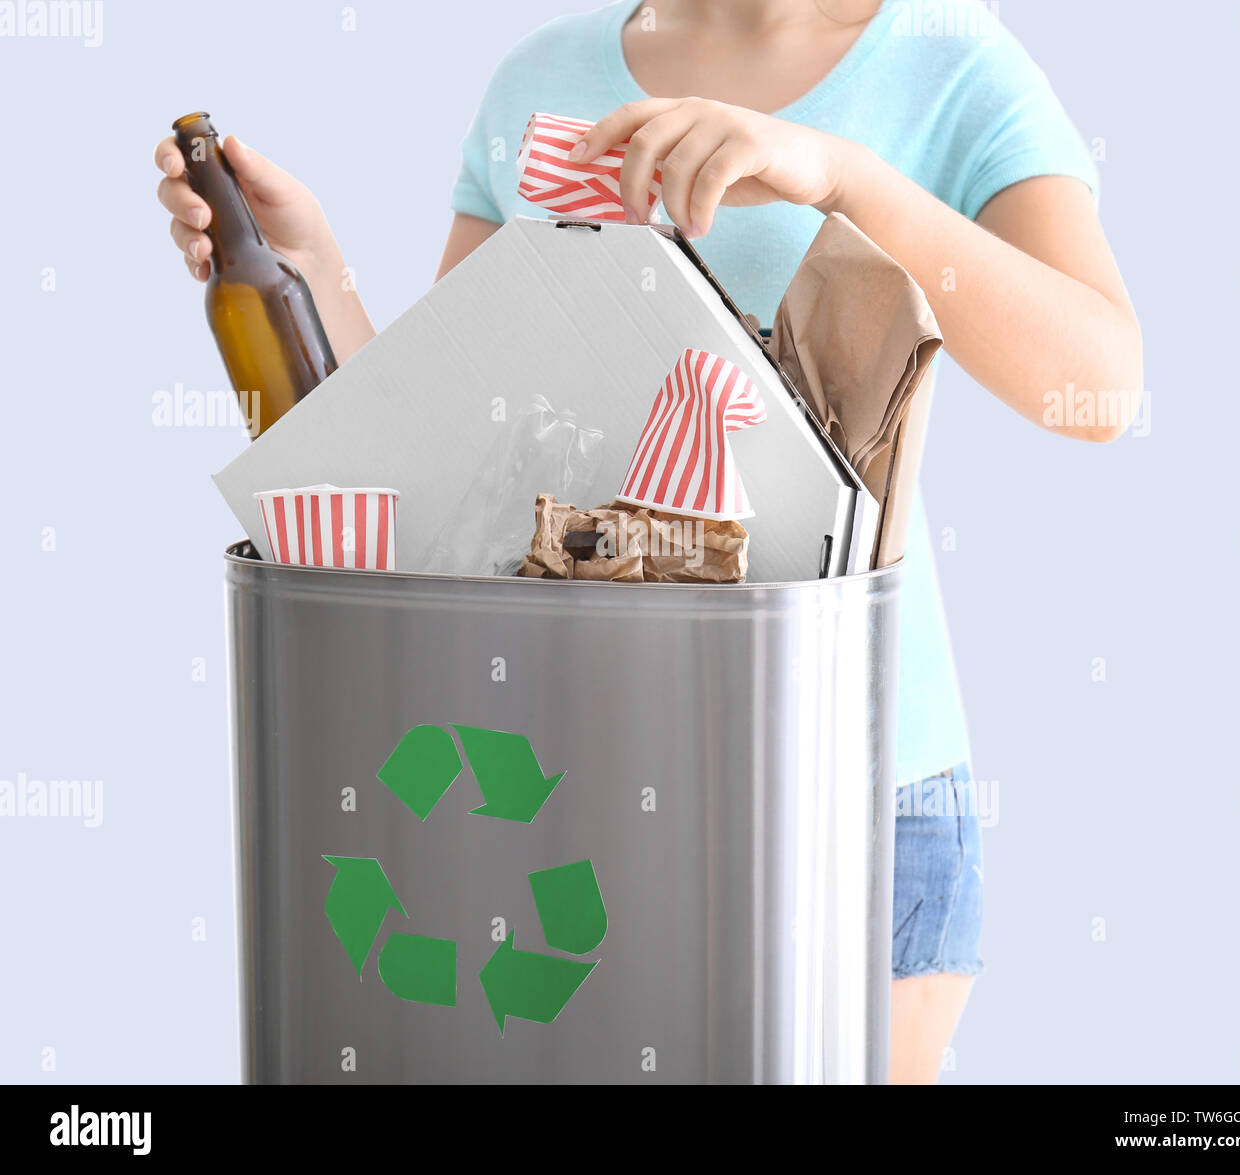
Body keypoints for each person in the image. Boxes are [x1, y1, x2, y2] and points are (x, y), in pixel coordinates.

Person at [155, 0, 1142, 1083]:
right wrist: (314, 269)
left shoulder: (944, 62)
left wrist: (844, 178)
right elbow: (450, 449)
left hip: (846, 781)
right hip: (552, 778)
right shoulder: (541, 74)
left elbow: (1096, 386)